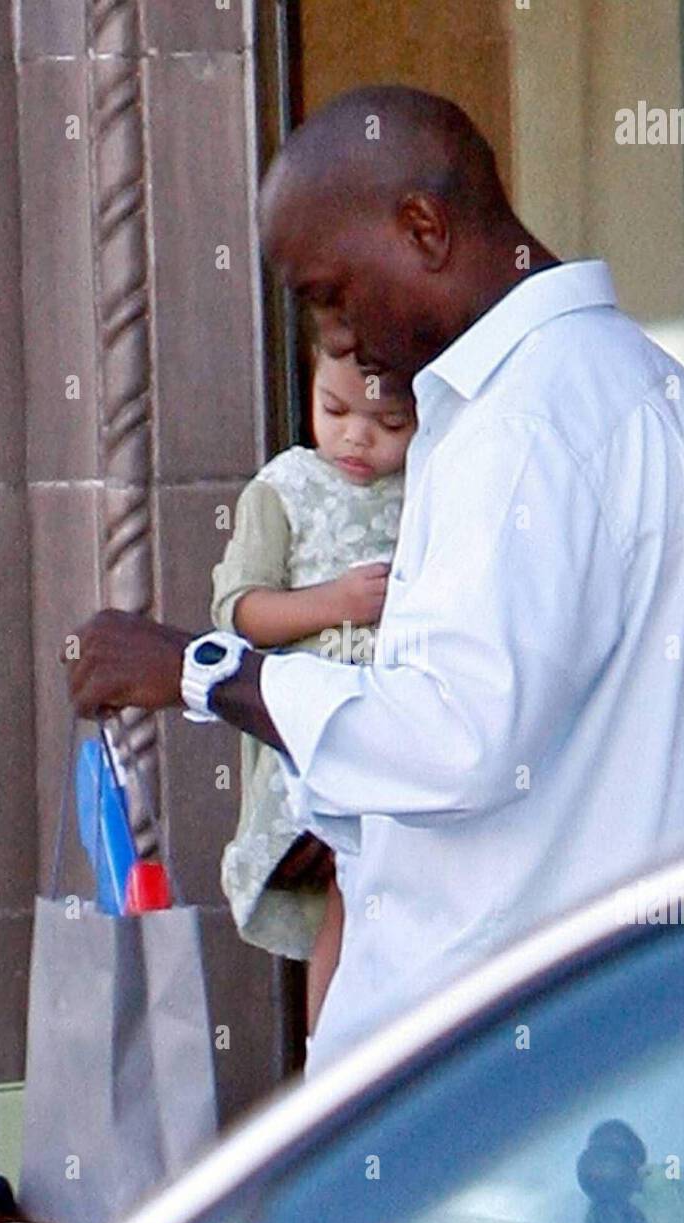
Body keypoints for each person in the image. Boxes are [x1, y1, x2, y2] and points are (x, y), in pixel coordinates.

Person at [66, 87, 684, 1094]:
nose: (341, 341)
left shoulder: (518, 427)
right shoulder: (660, 397)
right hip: (642, 1085)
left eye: (333, 294)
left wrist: (200, 668)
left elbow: (455, 734)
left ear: (424, 229)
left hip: (510, 1120)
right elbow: (563, 748)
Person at [208, 340, 413, 1034]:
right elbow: (239, 612)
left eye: (390, 425)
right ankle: (328, 1059)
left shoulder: (434, 485)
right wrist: (335, 602)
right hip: (313, 736)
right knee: (342, 892)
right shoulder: (286, 488)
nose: (357, 436)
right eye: (335, 410)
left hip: (404, 731)